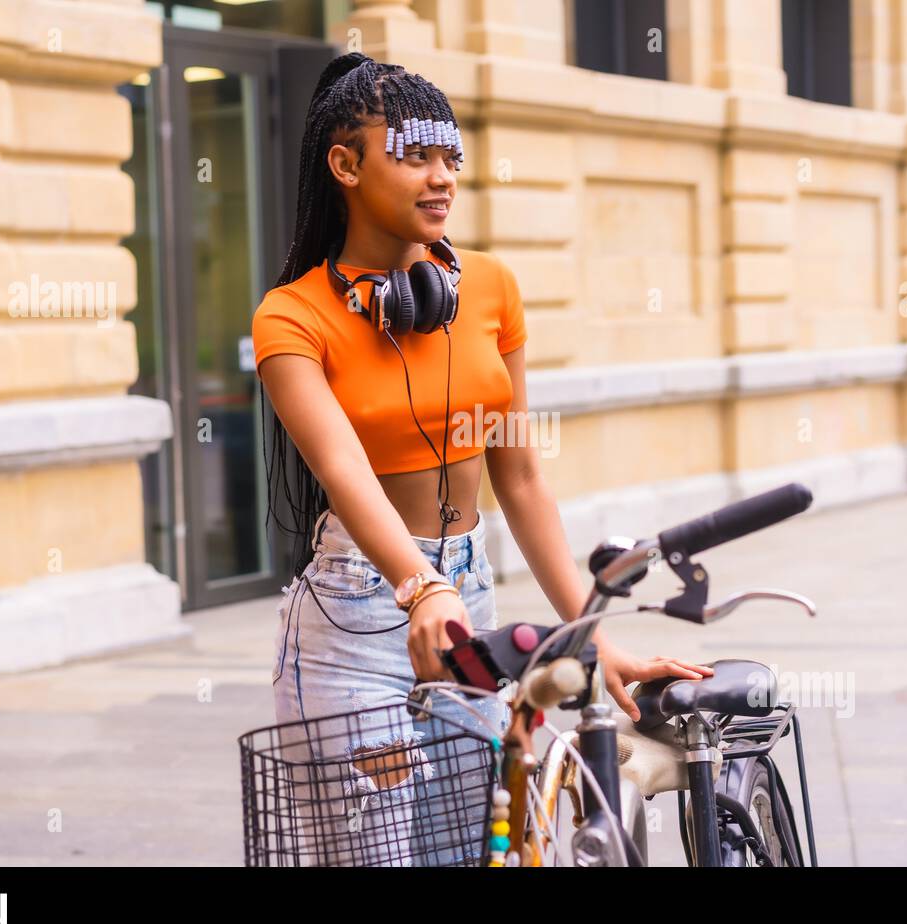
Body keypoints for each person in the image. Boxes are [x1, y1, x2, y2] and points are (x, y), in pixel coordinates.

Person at [252, 52, 711, 866]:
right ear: (346, 164)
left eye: (450, 157)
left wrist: (591, 631)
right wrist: (418, 584)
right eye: (415, 154)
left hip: (468, 602)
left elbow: (521, 476)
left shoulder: (490, 289)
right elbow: (343, 469)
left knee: (481, 849)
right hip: (355, 620)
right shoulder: (293, 317)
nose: (441, 177)